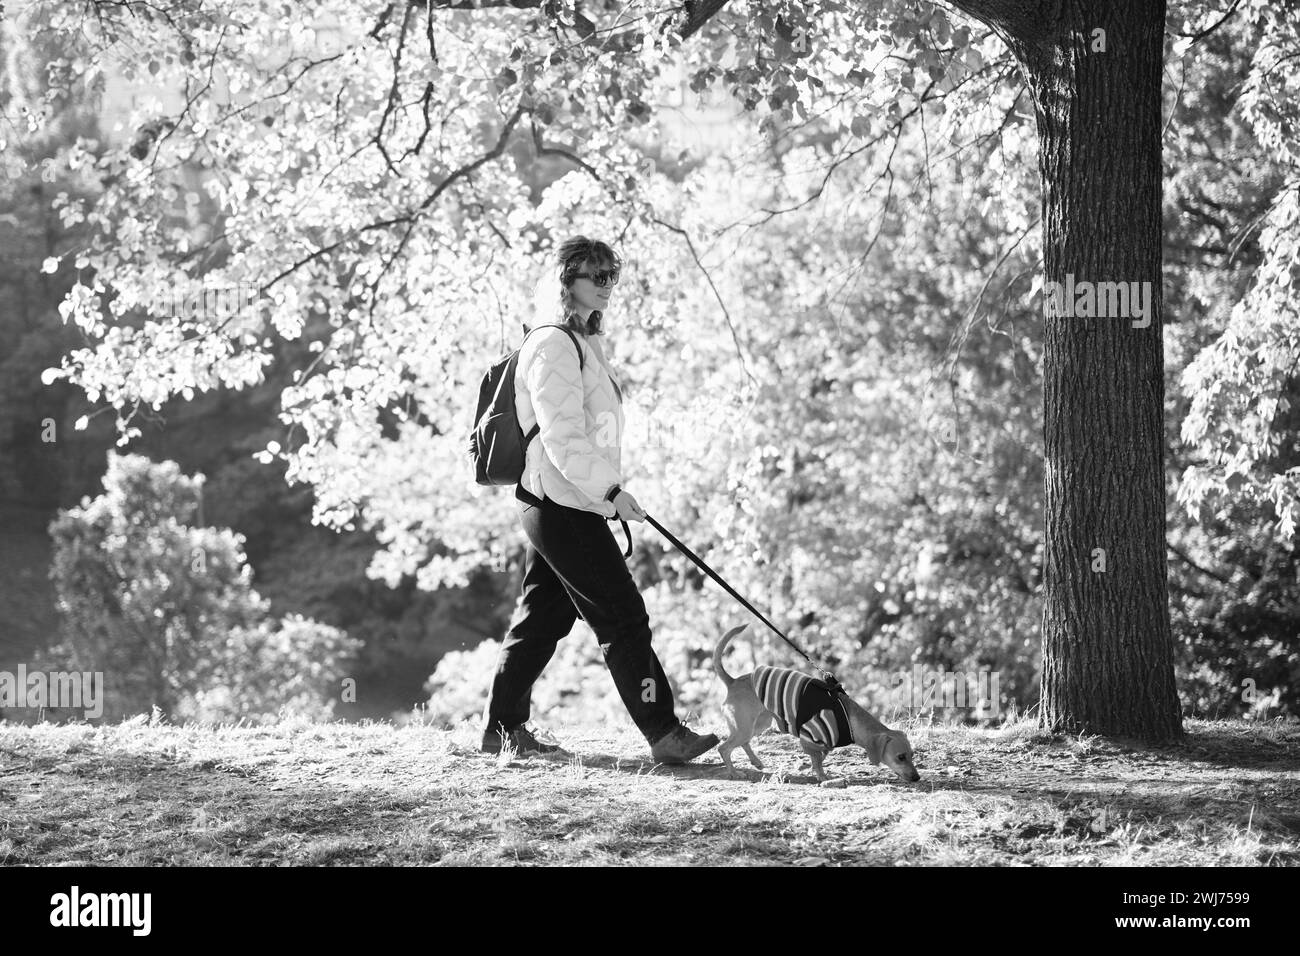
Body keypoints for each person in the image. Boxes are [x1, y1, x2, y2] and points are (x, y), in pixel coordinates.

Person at [481, 235, 719, 764]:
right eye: (597, 276)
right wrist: (610, 492)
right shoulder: (552, 345)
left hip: (567, 500)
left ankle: (501, 730)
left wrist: (604, 492)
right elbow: (563, 436)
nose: (609, 286)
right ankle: (663, 731)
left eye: (613, 275)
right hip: (561, 502)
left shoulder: (583, 341)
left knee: (542, 620)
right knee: (623, 616)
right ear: (567, 281)